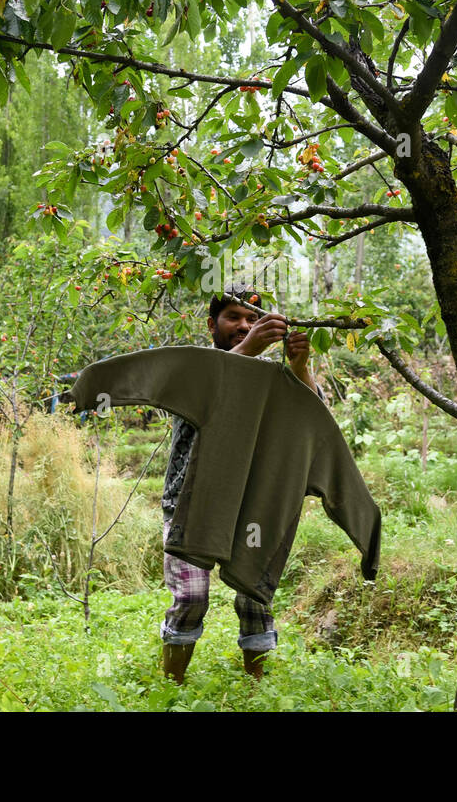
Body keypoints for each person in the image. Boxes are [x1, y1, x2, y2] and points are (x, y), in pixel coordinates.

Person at [160, 284, 327, 683]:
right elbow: (206, 397)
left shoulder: (272, 377)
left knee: (255, 598)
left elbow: (316, 421)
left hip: (251, 509)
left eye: (252, 319)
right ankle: (171, 691)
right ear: (211, 325)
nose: (243, 325)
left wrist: (301, 366)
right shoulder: (196, 367)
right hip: (191, 505)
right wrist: (251, 347)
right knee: (191, 597)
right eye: (233, 317)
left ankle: (259, 694)